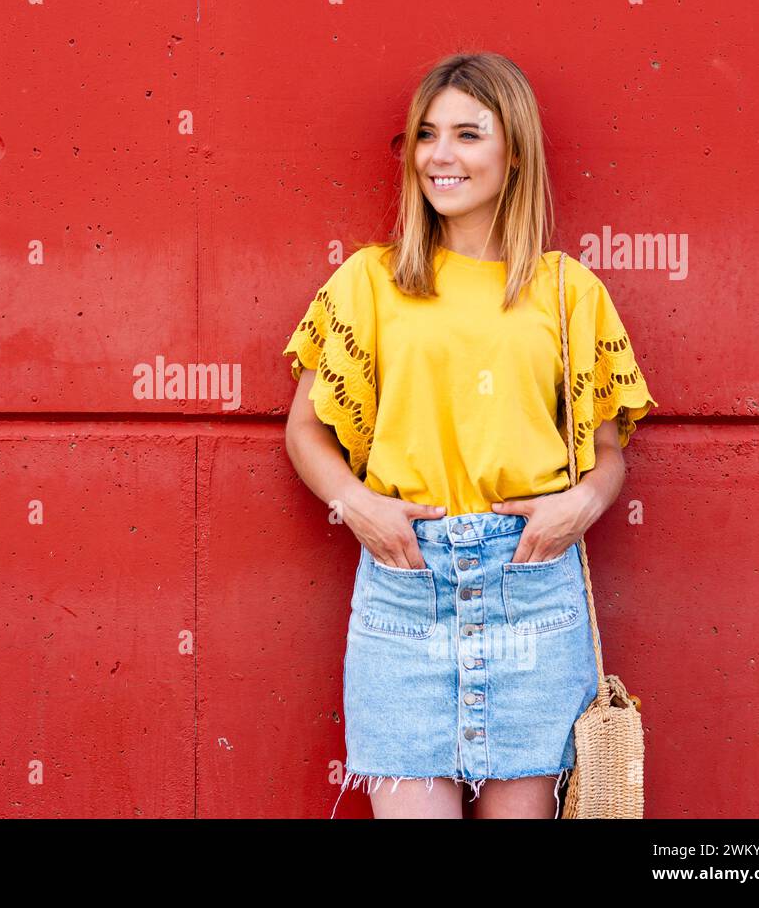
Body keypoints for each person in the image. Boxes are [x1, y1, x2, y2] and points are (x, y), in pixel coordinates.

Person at [282, 52, 659, 819]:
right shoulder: (370, 281)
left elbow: (609, 451)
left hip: (532, 585)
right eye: (426, 135)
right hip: (404, 587)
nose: (440, 156)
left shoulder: (568, 292)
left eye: (466, 134)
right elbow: (304, 432)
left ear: (513, 151)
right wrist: (358, 507)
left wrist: (577, 507)